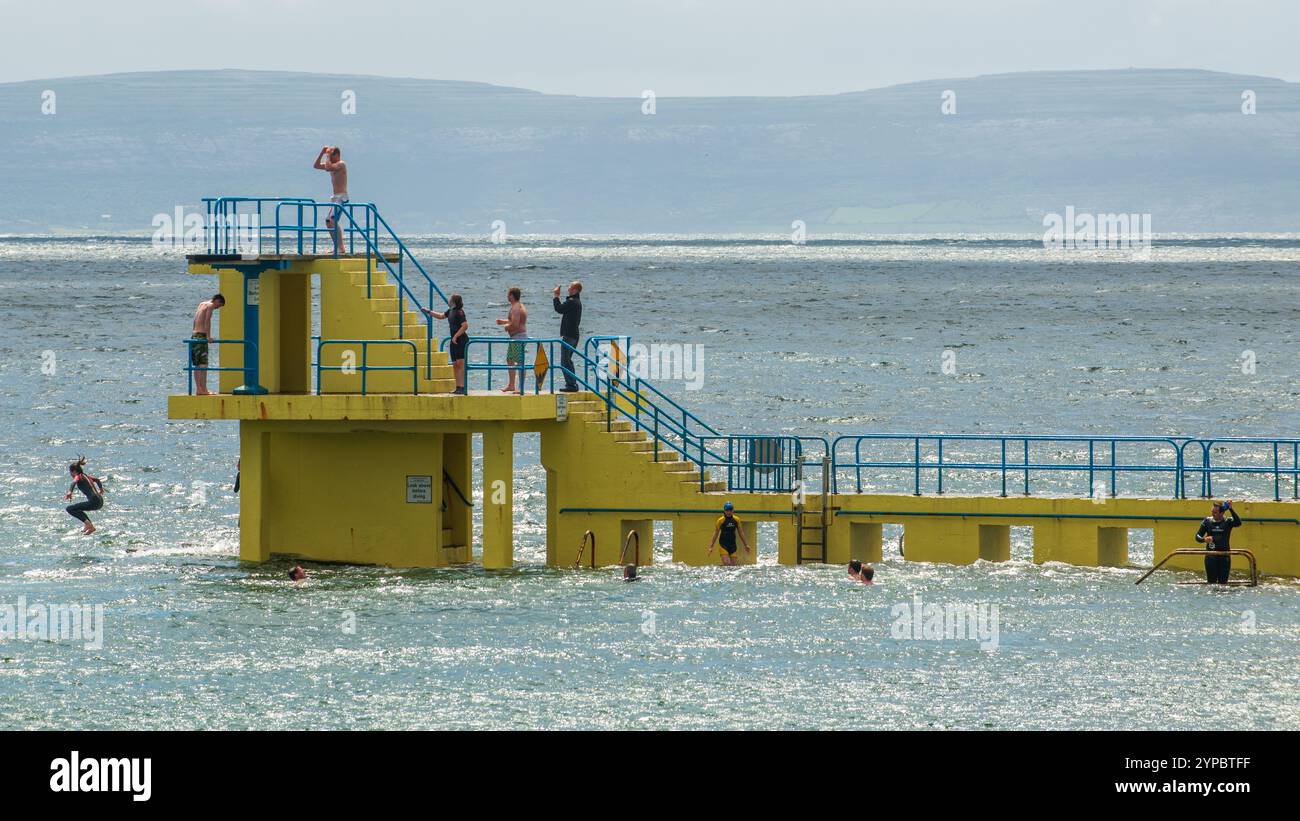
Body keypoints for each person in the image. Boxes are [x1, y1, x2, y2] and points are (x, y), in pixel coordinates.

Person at [423, 293, 469, 394]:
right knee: (455, 364)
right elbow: (441, 316)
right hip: (453, 341)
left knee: (461, 364)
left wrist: (456, 336)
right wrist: (429, 311)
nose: (448, 300)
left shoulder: (459, 312)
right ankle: (458, 386)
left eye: (450, 299)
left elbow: (465, 326)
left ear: (453, 301)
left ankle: (463, 387)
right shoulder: (450, 311)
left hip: (460, 340)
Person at [313, 145, 349, 255]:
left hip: (341, 197)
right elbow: (316, 166)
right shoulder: (332, 164)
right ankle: (337, 246)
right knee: (328, 222)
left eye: (331, 157)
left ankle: (341, 247)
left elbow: (329, 167)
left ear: (337, 155)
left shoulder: (341, 164)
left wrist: (327, 154)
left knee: (333, 220)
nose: (330, 159)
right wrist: (322, 152)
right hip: (335, 198)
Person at [1196, 499, 1242, 584]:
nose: (1212, 514)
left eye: (1215, 512)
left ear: (1222, 513)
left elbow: (1238, 523)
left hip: (1224, 556)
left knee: (1223, 584)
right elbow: (1197, 536)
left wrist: (1231, 509)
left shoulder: (1228, 521)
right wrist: (1204, 540)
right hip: (1211, 556)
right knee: (1211, 583)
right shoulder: (1207, 521)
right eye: (1212, 512)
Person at [495, 286, 528, 393]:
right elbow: (512, 320)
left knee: (519, 361)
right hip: (515, 337)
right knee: (510, 359)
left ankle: (520, 387)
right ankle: (511, 385)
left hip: (518, 337)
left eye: (508, 294)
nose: (507, 296)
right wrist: (503, 322)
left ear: (512, 296)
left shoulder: (516, 308)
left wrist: (506, 327)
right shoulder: (517, 306)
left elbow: (515, 324)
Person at [190, 293, 225, 395]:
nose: (218, 308)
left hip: (194, 335)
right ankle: (204, 390)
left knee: (197, 364)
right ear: (217, 301)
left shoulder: (202, 304)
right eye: (219, 305)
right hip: (201, 336)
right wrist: (208, 337)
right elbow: (207, 321)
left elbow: (195, 320)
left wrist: (194, 333)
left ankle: (199, 389)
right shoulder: (210, 306)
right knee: (203, 363)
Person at [553, 280, 583, 392]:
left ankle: (571, 385)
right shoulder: (575, 301)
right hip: (573, 335)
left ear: (575, 289)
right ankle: (572, 383)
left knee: (565, 361)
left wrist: (556, 296)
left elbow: (559, 308)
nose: (568, 288)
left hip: (570, 335)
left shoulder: (572, 301)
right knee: (567, 360)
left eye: (570, 287)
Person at [63, 457, 105, 535]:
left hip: (94, 501)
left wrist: (70, 491)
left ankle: (89, 525)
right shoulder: (86, 476)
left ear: (74, 471)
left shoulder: (79, 476)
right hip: (100, 501)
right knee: (77, 509)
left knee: (70, 509)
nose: (71, 475)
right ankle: (89, 526)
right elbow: (97, 480)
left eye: (71, 472)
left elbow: (74, 482)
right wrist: (101, 489)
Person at [706, 501, 751, 566]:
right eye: (727, 510)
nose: (729, 512)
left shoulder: (736, 520)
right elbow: (715, 533)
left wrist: (746, 545)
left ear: (733, 511)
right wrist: (711, 546)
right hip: (723, 545)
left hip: (733, 545)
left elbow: (741, 533)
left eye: (730, 510)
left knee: (733, 566)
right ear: (724, 511)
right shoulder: (720, 520)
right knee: (726, 563)